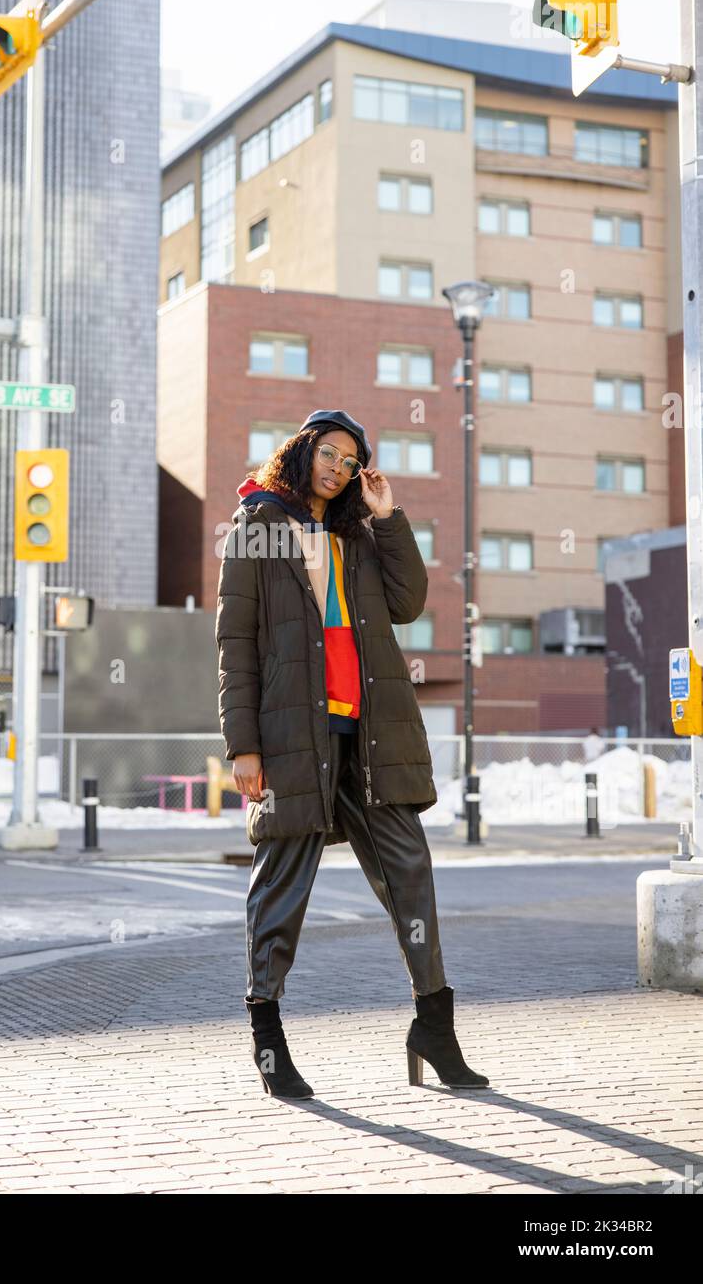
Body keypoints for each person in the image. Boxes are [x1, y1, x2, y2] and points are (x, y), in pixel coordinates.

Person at [215, 409, 488, 1098]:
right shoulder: (256, 524)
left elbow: (409, 602)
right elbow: (236, 644)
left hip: (369, 733)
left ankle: (434, 1026)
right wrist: (242, 746)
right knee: (281, 885)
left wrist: (387, 517)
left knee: (410, 875)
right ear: (302, 450)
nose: (336, 467)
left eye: (349, 459)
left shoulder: (357, 532)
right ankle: (267, 1038)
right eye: (327, 453)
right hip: (289, 738)